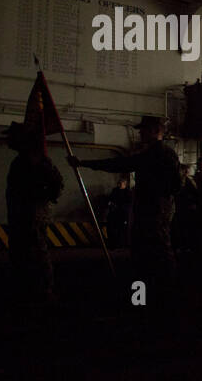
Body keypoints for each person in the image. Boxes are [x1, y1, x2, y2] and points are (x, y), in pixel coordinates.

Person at [69, 115, 181, 291]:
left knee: (157, 252)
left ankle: (159, 294)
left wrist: (85, 163)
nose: (141, 133)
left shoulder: (160, 154)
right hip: (151, 211)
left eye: (144, 129)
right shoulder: (158, 154)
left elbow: (120, 164)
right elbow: (121, 163)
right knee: (149, 252)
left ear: (156, 131)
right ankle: (153, 294)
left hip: (155, 212)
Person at [4, 121, 65, 303]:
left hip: (31, 215)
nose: (8, 140)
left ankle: (45, 291)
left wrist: (41, 198)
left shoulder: (36, 160)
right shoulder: (22, 160)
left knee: (37, 253)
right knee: (22, 254)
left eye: (11, 136)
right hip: (21, 215)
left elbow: (57, 182)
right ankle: (28, 290)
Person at [105, 174, 133, 249]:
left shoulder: (128, 192)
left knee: (122, 230)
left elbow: (129, 204)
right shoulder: (115, 190)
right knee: (112, 229)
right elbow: (110, 199)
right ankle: (114, 244)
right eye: (119, 183)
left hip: (122, 214)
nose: (119, 184)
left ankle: (121, 245)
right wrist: (110, 204)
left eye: (121, 183)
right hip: (114, 213)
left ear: (125, 184)